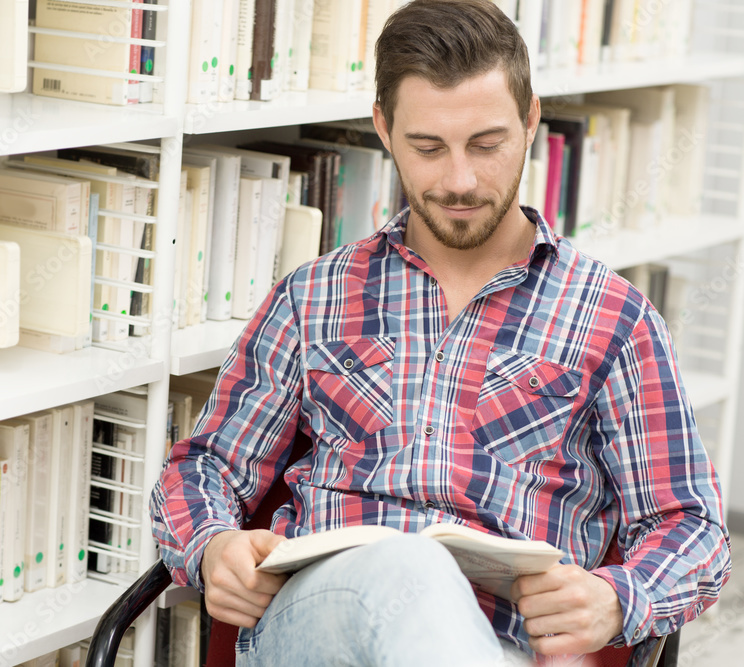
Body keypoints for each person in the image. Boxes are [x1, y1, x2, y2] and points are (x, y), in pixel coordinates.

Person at [149, 1, 731, 664]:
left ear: (531, 121)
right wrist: (215, 543)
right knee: (412, 565)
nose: (460, 180)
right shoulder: (314, 296)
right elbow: (203, 464)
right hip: (319, 628)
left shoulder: (615, 318)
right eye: (428, 148)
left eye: (487, 144)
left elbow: (693, 526)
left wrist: (616, 598)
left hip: (504, 645)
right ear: (384, 130)